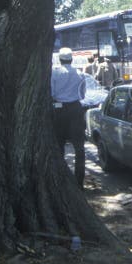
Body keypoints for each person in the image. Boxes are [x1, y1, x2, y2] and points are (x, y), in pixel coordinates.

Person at [50, 47, 87, 188]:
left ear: (60, 59)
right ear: (71, 59)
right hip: (76, 109)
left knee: (59, 145)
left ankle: (60, 180)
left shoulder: (54, 72)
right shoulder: (80, 73)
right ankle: (79, 181)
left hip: (59, 109)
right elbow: (83, 95)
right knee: (79, 147)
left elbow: (52, 93)